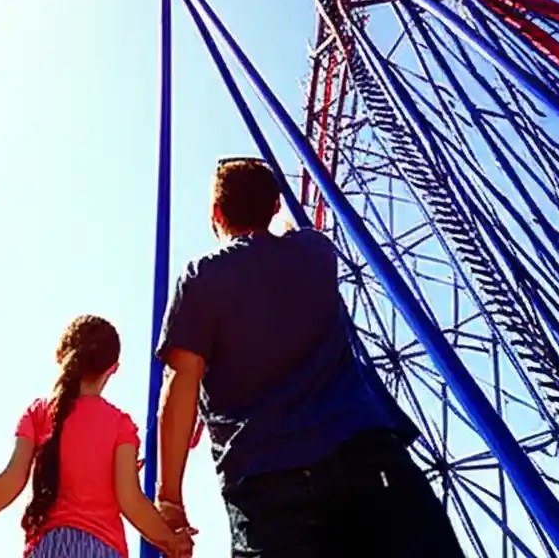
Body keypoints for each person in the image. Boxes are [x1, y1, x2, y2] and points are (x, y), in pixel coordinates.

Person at [153, 157, 465, 557]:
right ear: (276, 205)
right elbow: (288, 232)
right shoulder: (316, 252)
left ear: (216, 213)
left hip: (269, 481)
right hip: (369, 456)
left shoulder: (201, 277)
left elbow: (180, 385)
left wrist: (170, 497)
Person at [0, 315, 195, 558]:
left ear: (60, 357)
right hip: (102, 548)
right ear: (113, 369)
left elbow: (11, 481)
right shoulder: (120, 425)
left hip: (46, 548)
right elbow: (130, 499)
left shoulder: (39, 414)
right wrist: (170, 540)